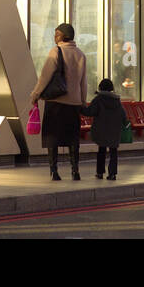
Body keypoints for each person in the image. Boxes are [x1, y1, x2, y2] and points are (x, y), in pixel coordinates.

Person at [29, 23, 88, 181]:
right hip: (74, 103)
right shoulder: (81, 54)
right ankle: (75, 171)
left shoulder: (56, 51)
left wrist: (35, 94)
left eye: (57, 34)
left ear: (65, 36)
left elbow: (45, 76)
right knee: (73, 139)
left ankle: (54, 171)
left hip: (56, 101)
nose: (55, 37)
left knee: (52, 137)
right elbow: (83, 82)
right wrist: (82, 101)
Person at [82, 78, 129, 180]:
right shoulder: (117, 101)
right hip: (114, 130)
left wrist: (80, 107)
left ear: (100, 87)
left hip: (101, 130)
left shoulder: (98, 99)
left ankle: (100, 172)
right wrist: (125, 123)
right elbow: (123, 115)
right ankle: (112, 174)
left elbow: (90, 112)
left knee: (101, 151)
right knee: (113, 152)